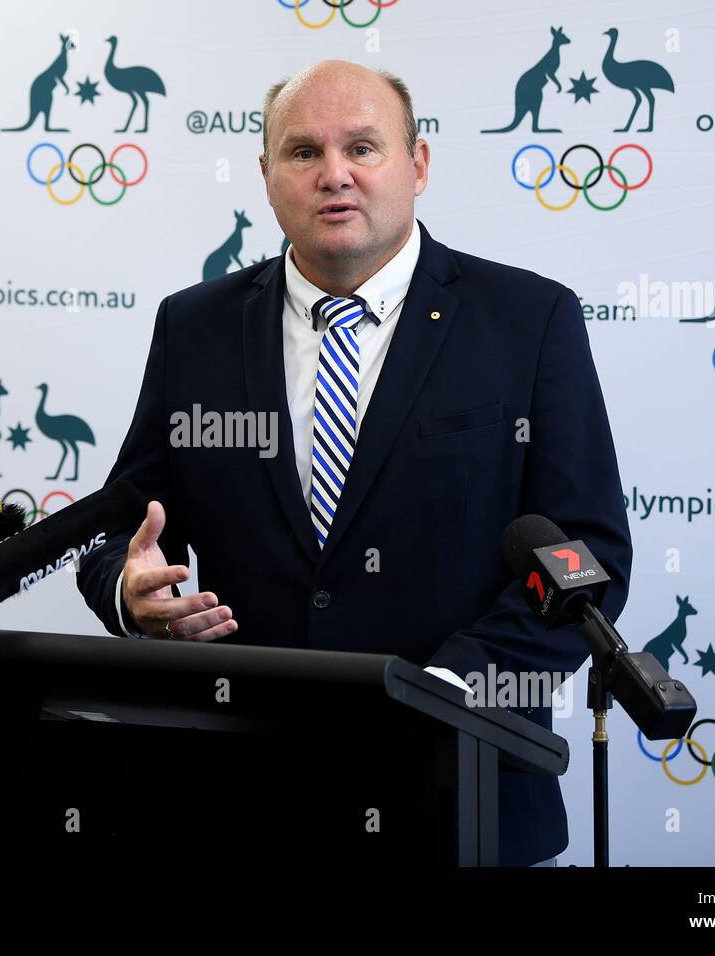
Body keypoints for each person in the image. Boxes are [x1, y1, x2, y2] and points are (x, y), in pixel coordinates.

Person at [77, 59, 632, 866]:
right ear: (266, 176)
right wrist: (128, 593)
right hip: (243, 796)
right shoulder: (194, 328)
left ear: (419, 164)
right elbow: (120, 531)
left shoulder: (528, 319)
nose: (334, 175)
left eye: (363, 148)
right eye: (303, 153)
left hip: (464, 792)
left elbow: (589, 553)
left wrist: (451, 685)